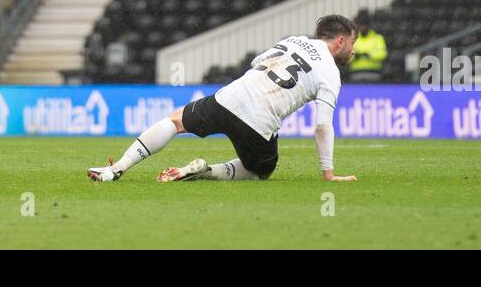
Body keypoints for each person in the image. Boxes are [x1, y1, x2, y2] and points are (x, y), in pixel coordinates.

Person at [87, 15, 358, 183]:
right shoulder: (330, 73)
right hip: (260, 123)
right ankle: (206, 172)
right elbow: (322, 126)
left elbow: (257, 61)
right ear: (340, 41)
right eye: (353, 44)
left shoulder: (295, 40)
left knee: (175, 121)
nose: (354, 51)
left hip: (231, 96)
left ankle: (117, 169)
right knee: (259, 171)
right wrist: (328, 173)